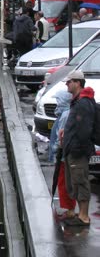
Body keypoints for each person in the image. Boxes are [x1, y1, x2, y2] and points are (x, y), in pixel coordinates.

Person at [60, 70, 96, 227]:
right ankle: (80, 214)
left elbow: (84, 130)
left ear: (77, 83)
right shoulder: (78, 101)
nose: (67, 84)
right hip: (72, 149)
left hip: (77, 151)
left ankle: (84, 217)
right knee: (75, 182)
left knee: (81, 181)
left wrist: (77, 148)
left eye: (69, 82)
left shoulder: (83, 103)